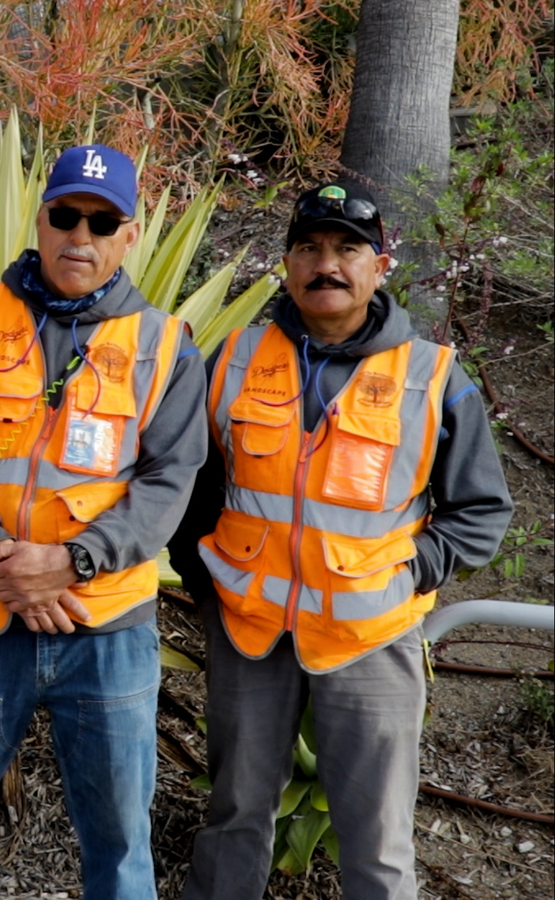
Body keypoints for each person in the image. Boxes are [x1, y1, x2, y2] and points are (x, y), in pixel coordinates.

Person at [172, 182, 513, 900]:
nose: (327, 264)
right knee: (234, 815)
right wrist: (204, 580)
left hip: (370, 634)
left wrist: (414, 568)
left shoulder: (434, 377)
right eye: (309, 247)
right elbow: (189, 485)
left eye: (347, 248)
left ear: (380, 264)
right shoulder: (231, 359)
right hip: (250, 631)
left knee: (377, 838)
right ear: (288, 263)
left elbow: (480, 509)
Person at [0, 144, 208, 900]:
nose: (81, 235)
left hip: (106, 631)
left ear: (130, 236)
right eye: (65, 215)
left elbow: (170, 485)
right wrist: (7, 564)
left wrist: (71, 564)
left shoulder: (164, 347)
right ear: (38, 218)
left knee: (120, 839)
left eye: (103, 223)